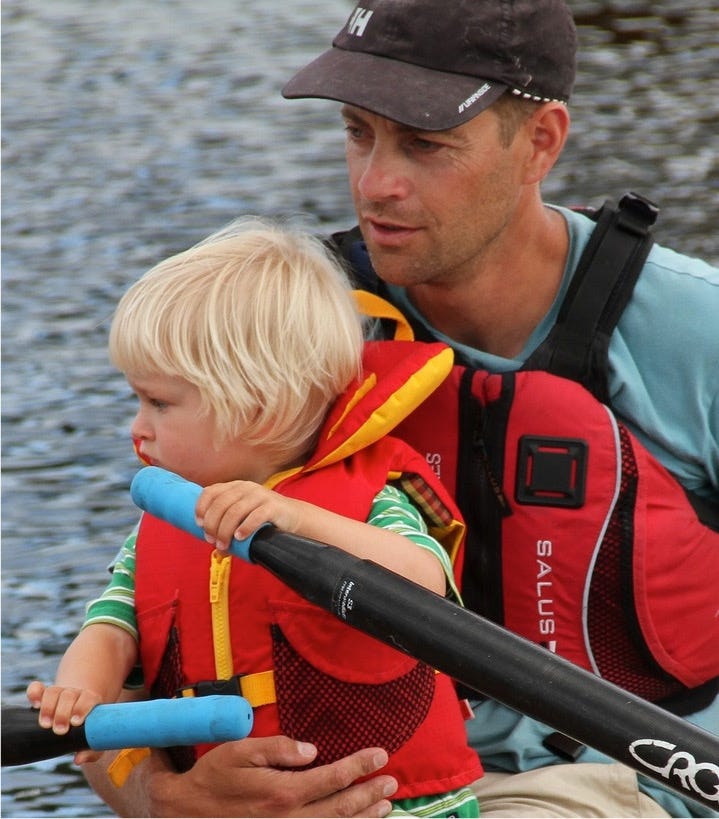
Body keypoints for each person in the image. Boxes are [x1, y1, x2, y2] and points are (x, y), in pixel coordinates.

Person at [80, 0, 719, 816]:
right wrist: (161, 796)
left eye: (424, 145)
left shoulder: (692, 334)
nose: (375, 182)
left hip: (629, 781)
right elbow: (131, 631)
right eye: (358, 132)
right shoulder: (282, 331)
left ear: (540, 143)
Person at [27, 218, 483, 817]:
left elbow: (424, 582)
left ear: (260, 411)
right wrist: (80, 692)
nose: (136, 428)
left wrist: (296, 519)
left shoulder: (369, 498)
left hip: (398, 805)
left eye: (160, 403)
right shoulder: (163, 526)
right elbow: (113, 626)